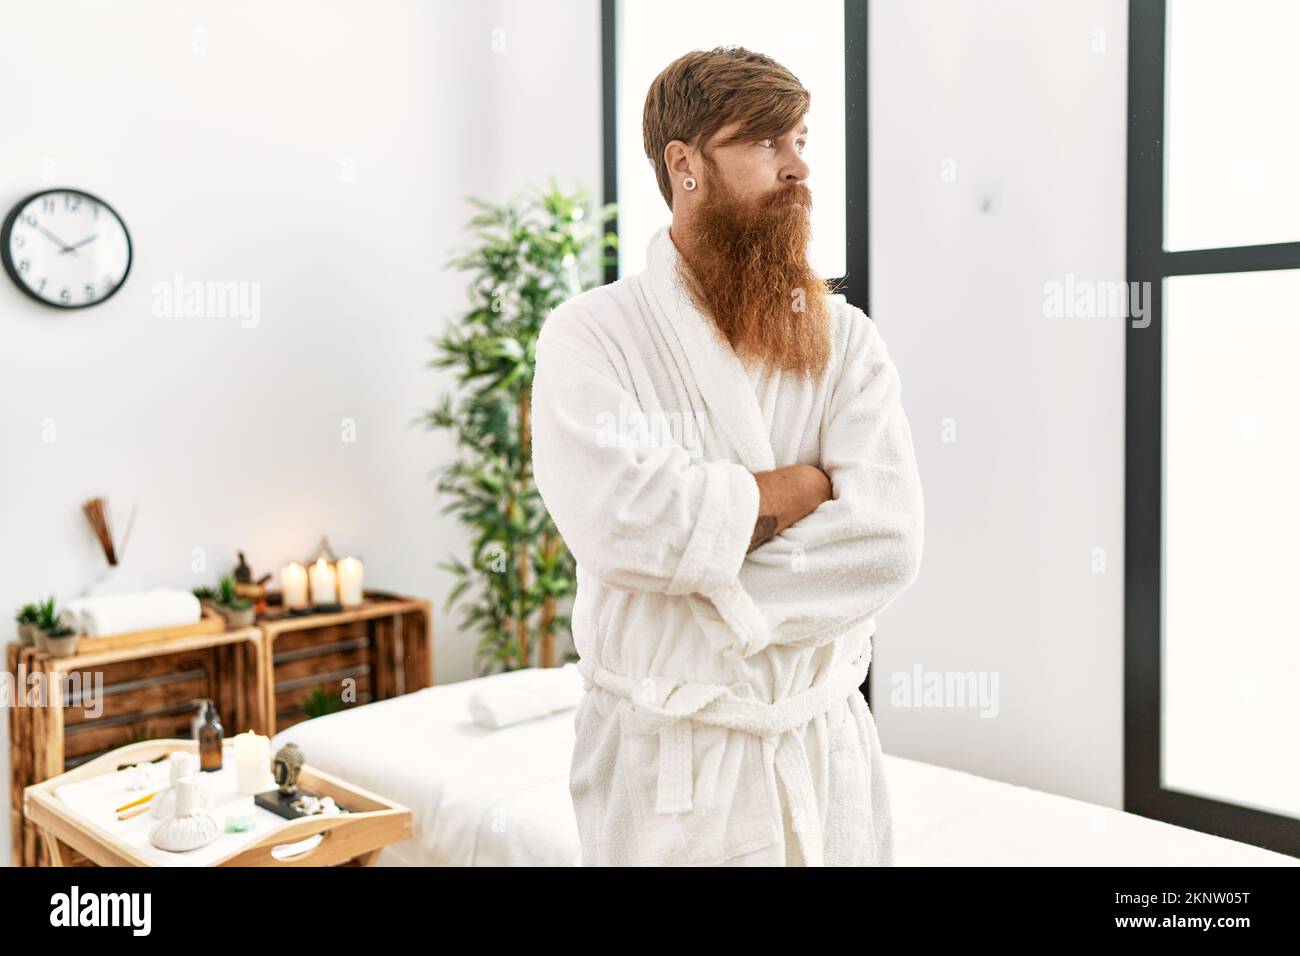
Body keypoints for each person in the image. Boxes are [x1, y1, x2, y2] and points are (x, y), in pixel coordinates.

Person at [530, 46, 925, 866]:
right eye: (765, 143)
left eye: (802, 141)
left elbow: (887, 542)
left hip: (820, 746)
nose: (799, 169)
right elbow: (622, 524)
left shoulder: (846, 340)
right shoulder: (591, 337)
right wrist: (802, 488)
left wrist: (708, 590)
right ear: (685, 165)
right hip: (671, 760)